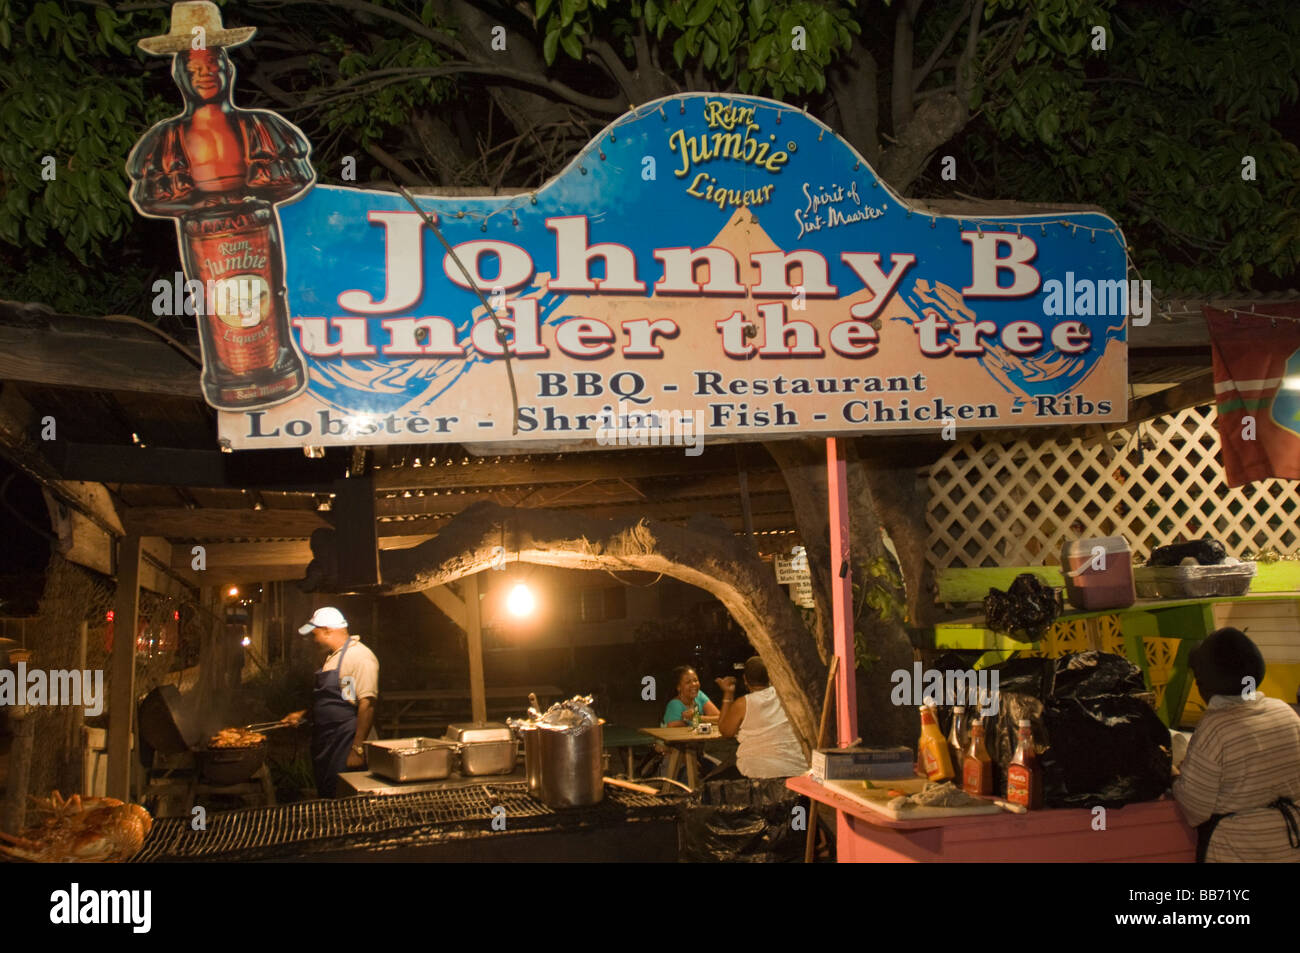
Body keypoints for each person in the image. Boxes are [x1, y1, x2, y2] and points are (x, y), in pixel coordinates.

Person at [1172, 627, 1300, 862]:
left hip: (1238, 851)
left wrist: (1177, 777)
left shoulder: (1215, 729)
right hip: (1289, 846)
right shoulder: (1285, 712)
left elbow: (1195, 808)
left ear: (1202, 684)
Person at [282, 607, 379, 798]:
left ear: (328, 630)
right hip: (329, 740)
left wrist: (357, 749)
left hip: (347, 739)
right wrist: (304, 714)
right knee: (328, 793)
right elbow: (346, 697)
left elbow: (367, 704)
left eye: (314, 634)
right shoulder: (334, 657)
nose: (312, 639)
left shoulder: (360, 657)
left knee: (344, 796)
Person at [715, 656, 808, 779]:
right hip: (796, 767)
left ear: (745, 679)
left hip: (758, 771)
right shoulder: (786, 696)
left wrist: (728, 693)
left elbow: (725, 731)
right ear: (769, 676)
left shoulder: (743, 704)